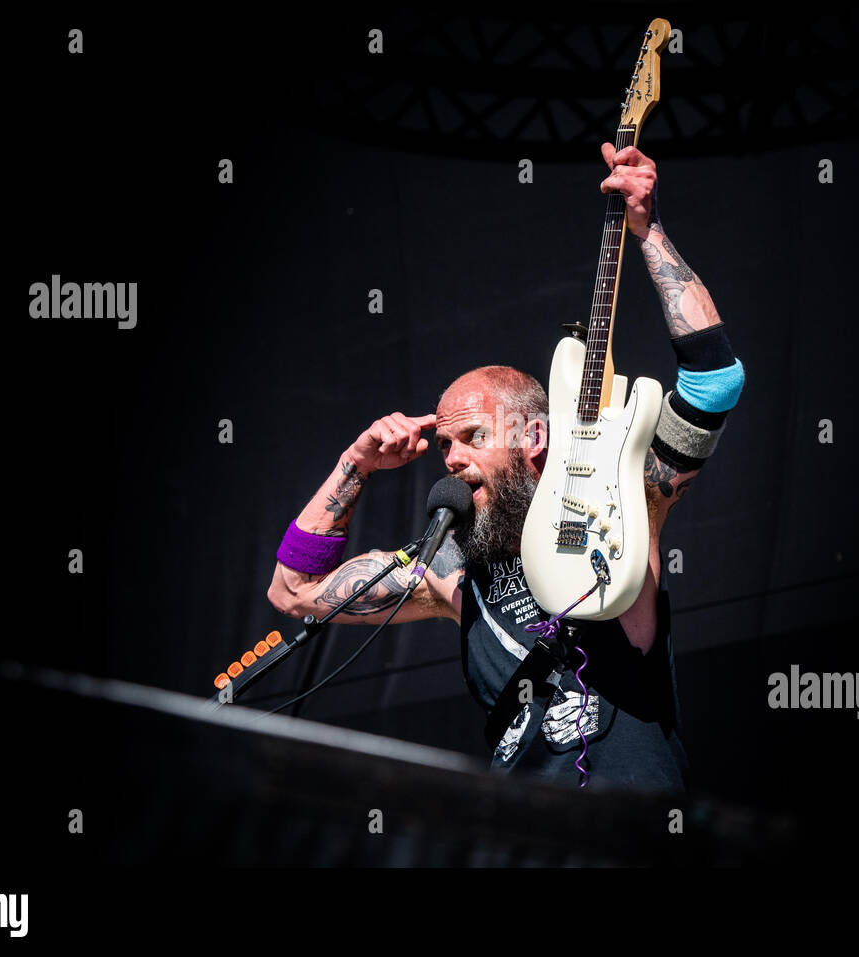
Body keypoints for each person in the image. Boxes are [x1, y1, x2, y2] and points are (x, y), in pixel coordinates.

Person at [268, 143, 744, 793]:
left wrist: (648, 231)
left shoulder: (630, 501)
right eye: (443, 446)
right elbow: (292, 589)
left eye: (471, 436)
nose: (452, 456)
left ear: (534, 436)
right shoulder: (451, 575)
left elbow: (713, 382)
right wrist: (354, 464)